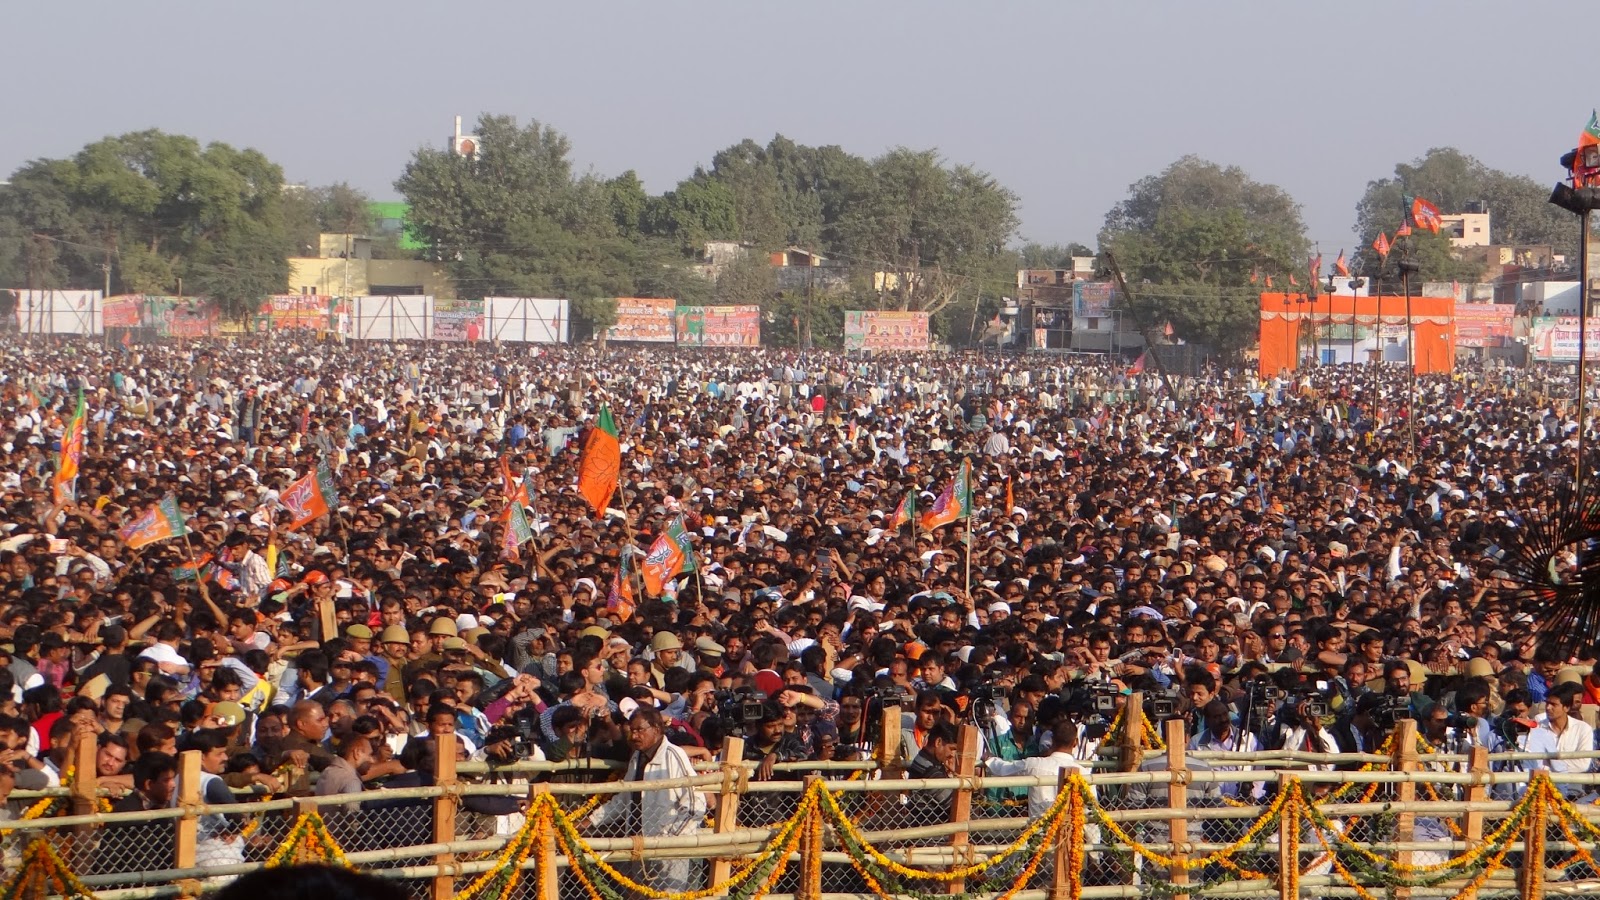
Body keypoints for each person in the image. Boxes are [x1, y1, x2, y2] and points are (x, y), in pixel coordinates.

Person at [586, 707, 708, 892]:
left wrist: (670, 839)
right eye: (632, 730)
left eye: (639, 730)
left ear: (656, 729)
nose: (634, 736)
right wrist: (591, 821)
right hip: (639, 845)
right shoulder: (637, 757)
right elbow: (624, 799)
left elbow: (694, 803)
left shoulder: (673, 755)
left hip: (669, 849)